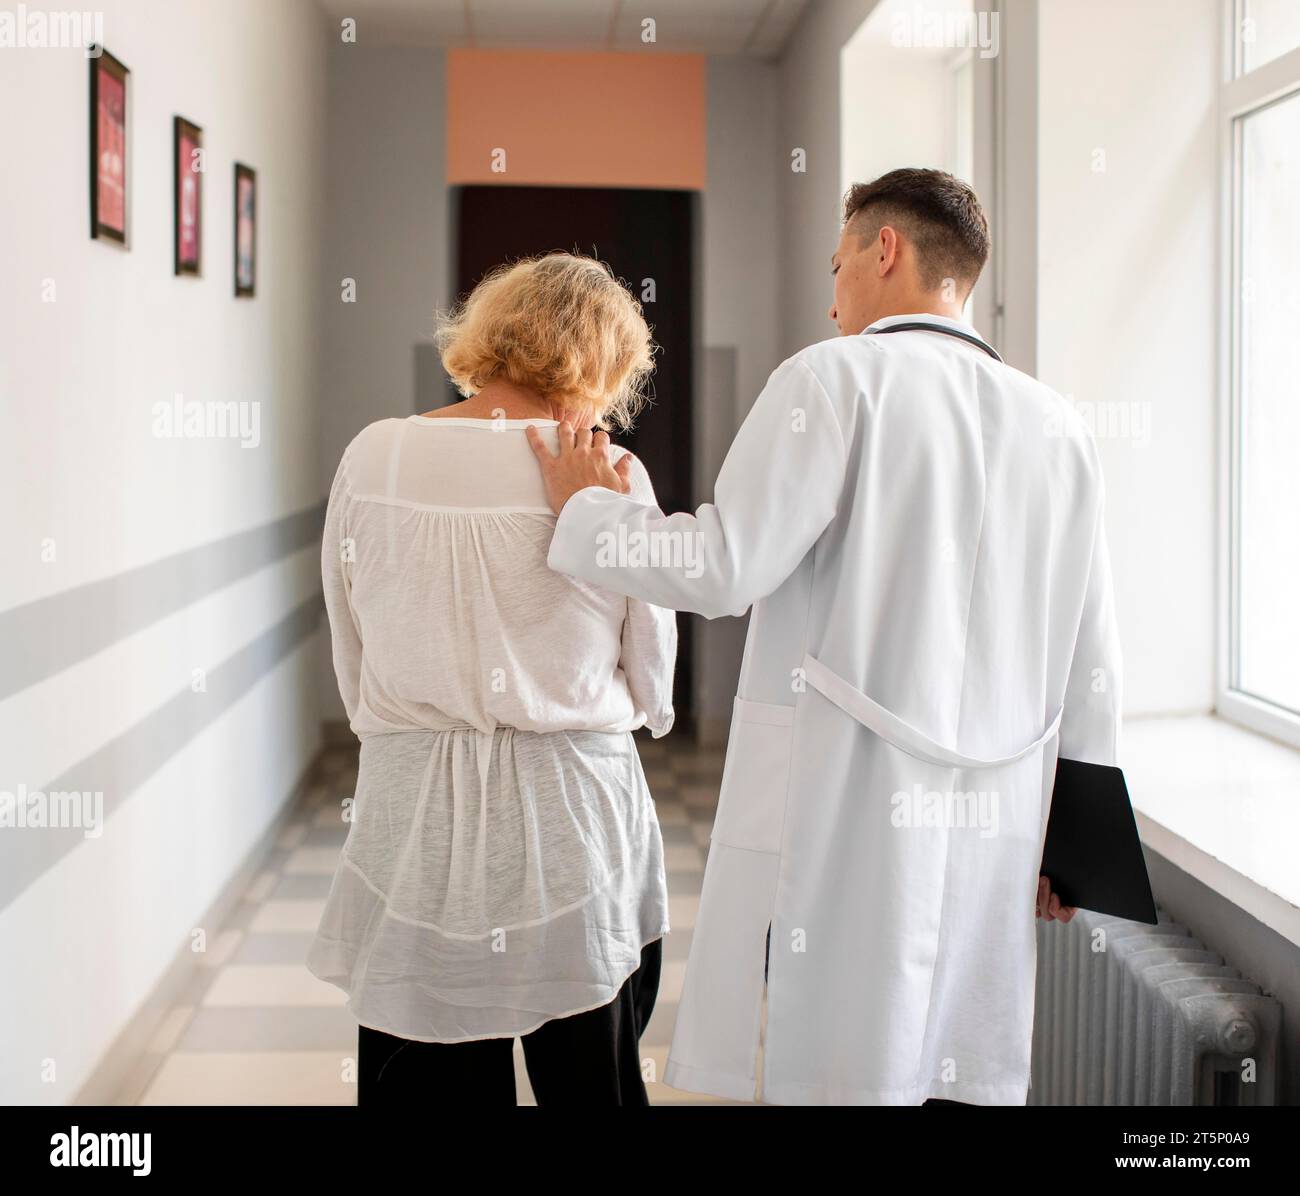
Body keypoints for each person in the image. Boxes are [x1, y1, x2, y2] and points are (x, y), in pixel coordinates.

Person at [528, 168, 1110, 1106]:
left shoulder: (831, 379)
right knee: (963, 1051)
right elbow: (1091, 650)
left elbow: (724, 568)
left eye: (836, 266)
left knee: (852, 1055)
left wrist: (591, 514)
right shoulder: (1057, 423)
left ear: (886, 252)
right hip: (1000, 811)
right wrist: (1076, 840)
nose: (830, 295)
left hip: (857, 795)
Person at [307, 252, 676, 1106]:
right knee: (591, 1076)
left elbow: (351, 643)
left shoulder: (376, 457)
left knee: (423, 1069)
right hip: (570, 804)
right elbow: (652, 677)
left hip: (415, 802)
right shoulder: (610, 478)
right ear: (604, 362)